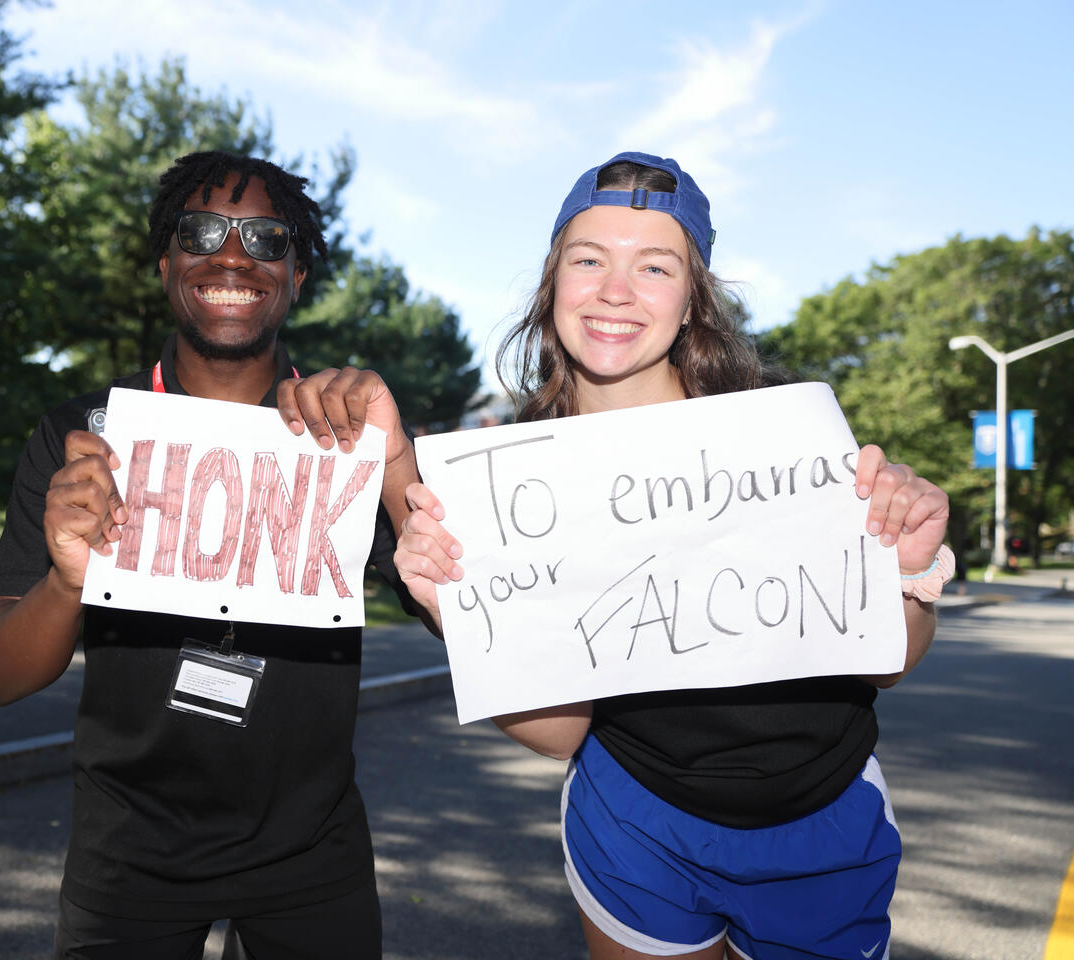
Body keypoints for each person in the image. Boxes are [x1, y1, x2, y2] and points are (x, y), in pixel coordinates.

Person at [392, 151, 954, 960]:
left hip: (822, 816)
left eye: (654, 266)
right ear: (552, 284)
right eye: (588, 260)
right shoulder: (506, 484)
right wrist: (456, 611)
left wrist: (909, 566)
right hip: (635, 818)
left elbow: (887, 660)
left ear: (694, 300)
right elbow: (557, 735)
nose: (615, 290)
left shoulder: (787, 438)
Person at [0, 151, 421, 959]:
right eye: (202, 230)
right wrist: (68, 578)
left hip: (311, 851)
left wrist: (395, 468)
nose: (231, 256)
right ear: (166, 262)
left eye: (265, 239)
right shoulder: (83, 436)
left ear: (296, 278)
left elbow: (467, 613)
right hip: (128, 854)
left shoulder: (348, 438)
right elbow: (0, 676)